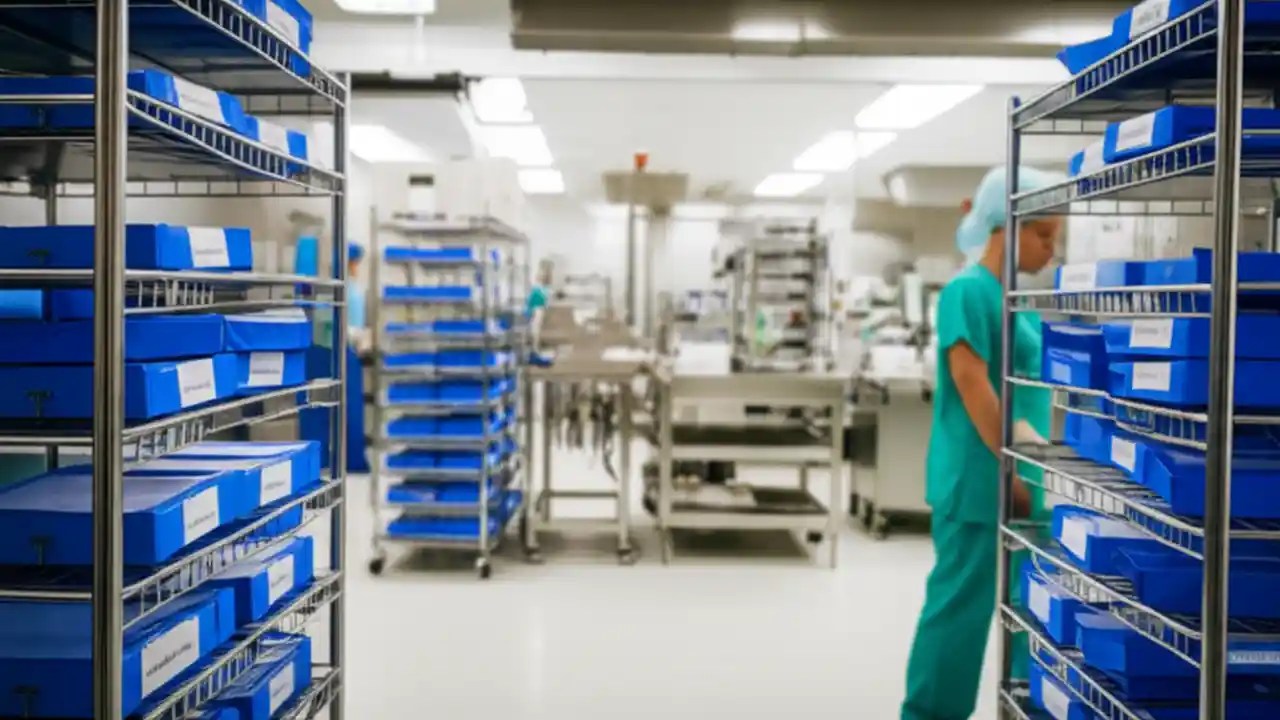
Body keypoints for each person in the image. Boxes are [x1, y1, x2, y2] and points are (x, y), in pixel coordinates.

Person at [900, 165, 1062, 720]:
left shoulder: (1006, 295)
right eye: (1044, 235)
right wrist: (1011, 473)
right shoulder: (968, 292)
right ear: (1006, 226)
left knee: (1026, 607)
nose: (1051, 251)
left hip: (1014, 478)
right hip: (979, 478)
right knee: (961, 609)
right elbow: (975, 389)